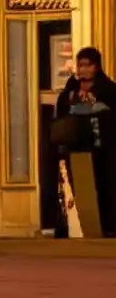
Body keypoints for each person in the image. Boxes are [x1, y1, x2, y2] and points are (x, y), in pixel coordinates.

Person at [55, 47, 116, 237]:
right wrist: (72, 98)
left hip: (103, 149)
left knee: (106, 186)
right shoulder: (71, 87)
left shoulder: (106, 87)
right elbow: (62, 107)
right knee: (82, 189)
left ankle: (109, 227)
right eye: (79, 65)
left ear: (95, 67)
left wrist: (95, 100)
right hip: (78, 149)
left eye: (85, 65)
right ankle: (87, 226)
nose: (81, 70)